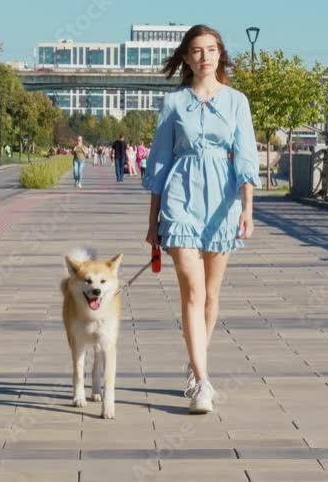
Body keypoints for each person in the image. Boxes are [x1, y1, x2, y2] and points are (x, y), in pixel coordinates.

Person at [142, 24, 260, 414]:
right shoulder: (173, 104)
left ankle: (195, 367)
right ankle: (203, 383)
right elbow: (159, 162)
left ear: (220, 54)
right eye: (196, 50)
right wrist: (152, 221)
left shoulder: (237, 101)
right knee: (192, 290)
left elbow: (245, 159)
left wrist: (248, 208)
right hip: (180, 200)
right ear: (186, 57)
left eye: (211, 49)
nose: (204, 56)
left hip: (222, 204)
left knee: (211, 294)